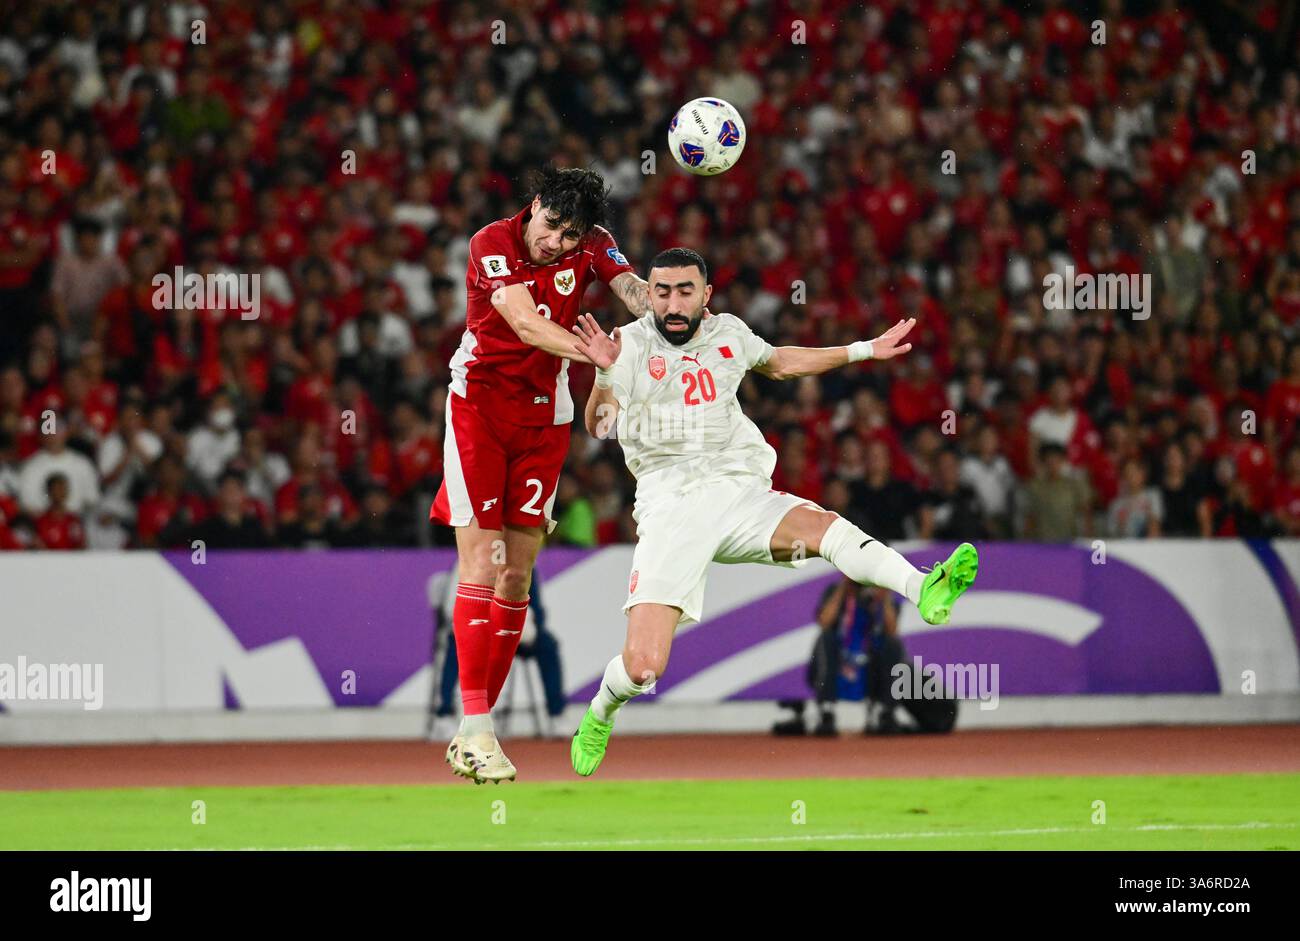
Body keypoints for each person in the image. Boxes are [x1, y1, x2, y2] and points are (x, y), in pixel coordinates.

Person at [569, 248, 979, 776]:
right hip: (672, 504)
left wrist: (863, 350)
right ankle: (601, 712)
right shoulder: (625, 345)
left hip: (740, 492)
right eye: (662, 291)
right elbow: (599, 428)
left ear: (706, 296)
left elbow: (780, 362)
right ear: (648, 294)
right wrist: (602, 375)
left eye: (685, 291)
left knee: (825, 528)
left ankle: (922, 587)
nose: (673, 303)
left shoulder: (730, 333)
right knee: (644, 667)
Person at [429, 166, 654, 783]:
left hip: (544, 416)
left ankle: (478, 728)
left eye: (570, 235)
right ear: (534, 207)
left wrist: (669, 310)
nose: (557, 243)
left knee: (518, 571)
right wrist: (594, 353)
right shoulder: (490, 244)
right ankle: (475, 726)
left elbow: (630, 287)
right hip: (479, 407)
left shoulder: (591, 242)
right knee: (481, 561)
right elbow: (525, 324)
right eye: (552, 227)